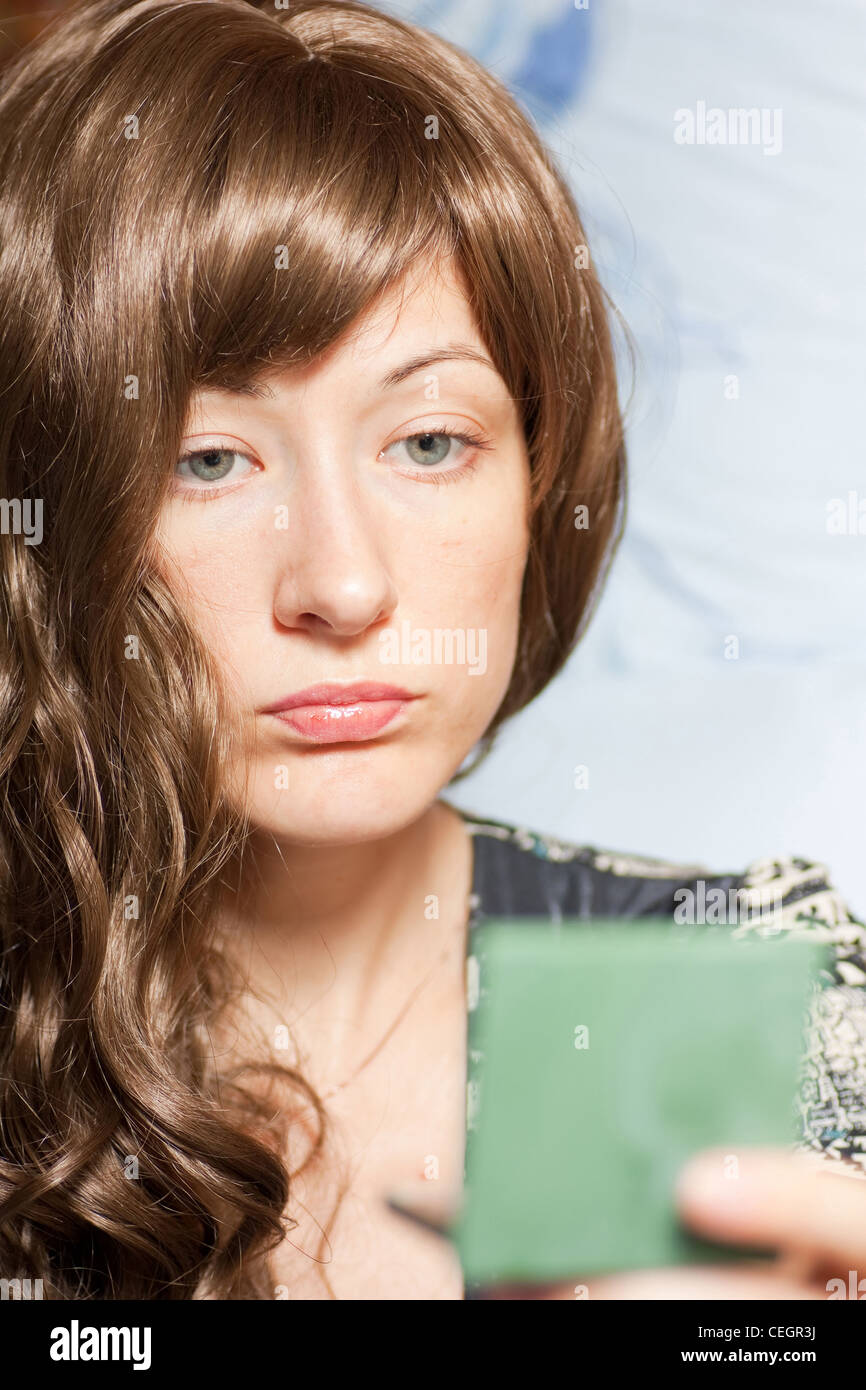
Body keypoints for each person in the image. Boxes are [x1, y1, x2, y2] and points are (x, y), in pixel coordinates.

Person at [0, 0, 863, 1301]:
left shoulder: (685, 984)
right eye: (208, 459)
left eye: (428, 442)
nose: (340, 582)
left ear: (537, 476)